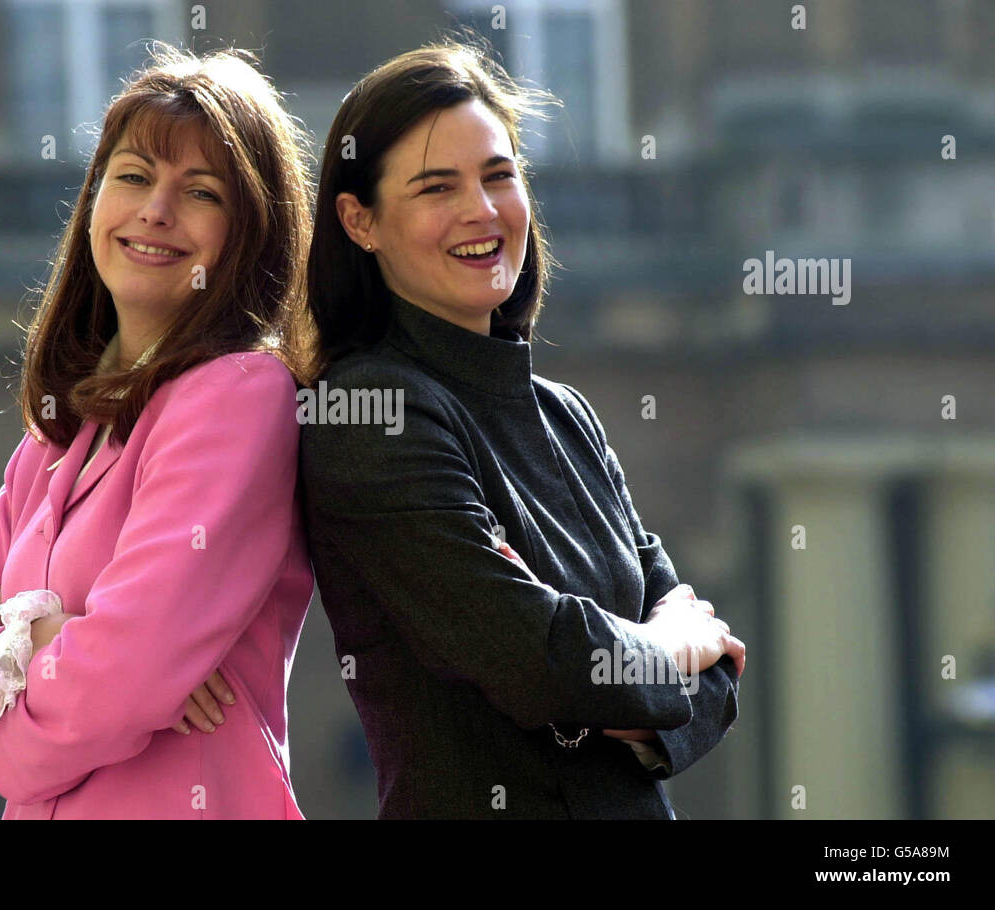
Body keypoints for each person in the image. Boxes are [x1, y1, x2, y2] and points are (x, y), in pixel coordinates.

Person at [299, 39, 746, 819]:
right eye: (438, 187)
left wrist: (630, 692)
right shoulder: (371, 411)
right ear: (359, 220)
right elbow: (541, 661)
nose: (481, 210)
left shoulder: (568, 417)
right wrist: (668, 647)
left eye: (499, 176)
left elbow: (716, 687)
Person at [0, 44, 316, 819]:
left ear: (248, 232)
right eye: (135, 176)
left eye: (201, 191)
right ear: (93, 202)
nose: (156, 209)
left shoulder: (240, 396)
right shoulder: (52, 445)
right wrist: (38, 644)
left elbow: (126, 673)